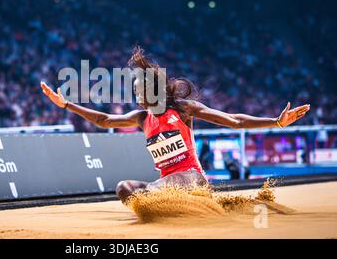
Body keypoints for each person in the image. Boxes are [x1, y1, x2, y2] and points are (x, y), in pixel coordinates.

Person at [41, 47, 310, 204]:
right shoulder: (141, 118)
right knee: (124, 189)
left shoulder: (182, 110)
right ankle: (178, 209)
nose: (135, 95)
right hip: (166, 183)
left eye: (138, 89)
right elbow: (104, 120)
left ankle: (188, 206)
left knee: (147, 190)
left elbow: (234, 120)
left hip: (191, 177)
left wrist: (276, 121)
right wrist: (66, 105)